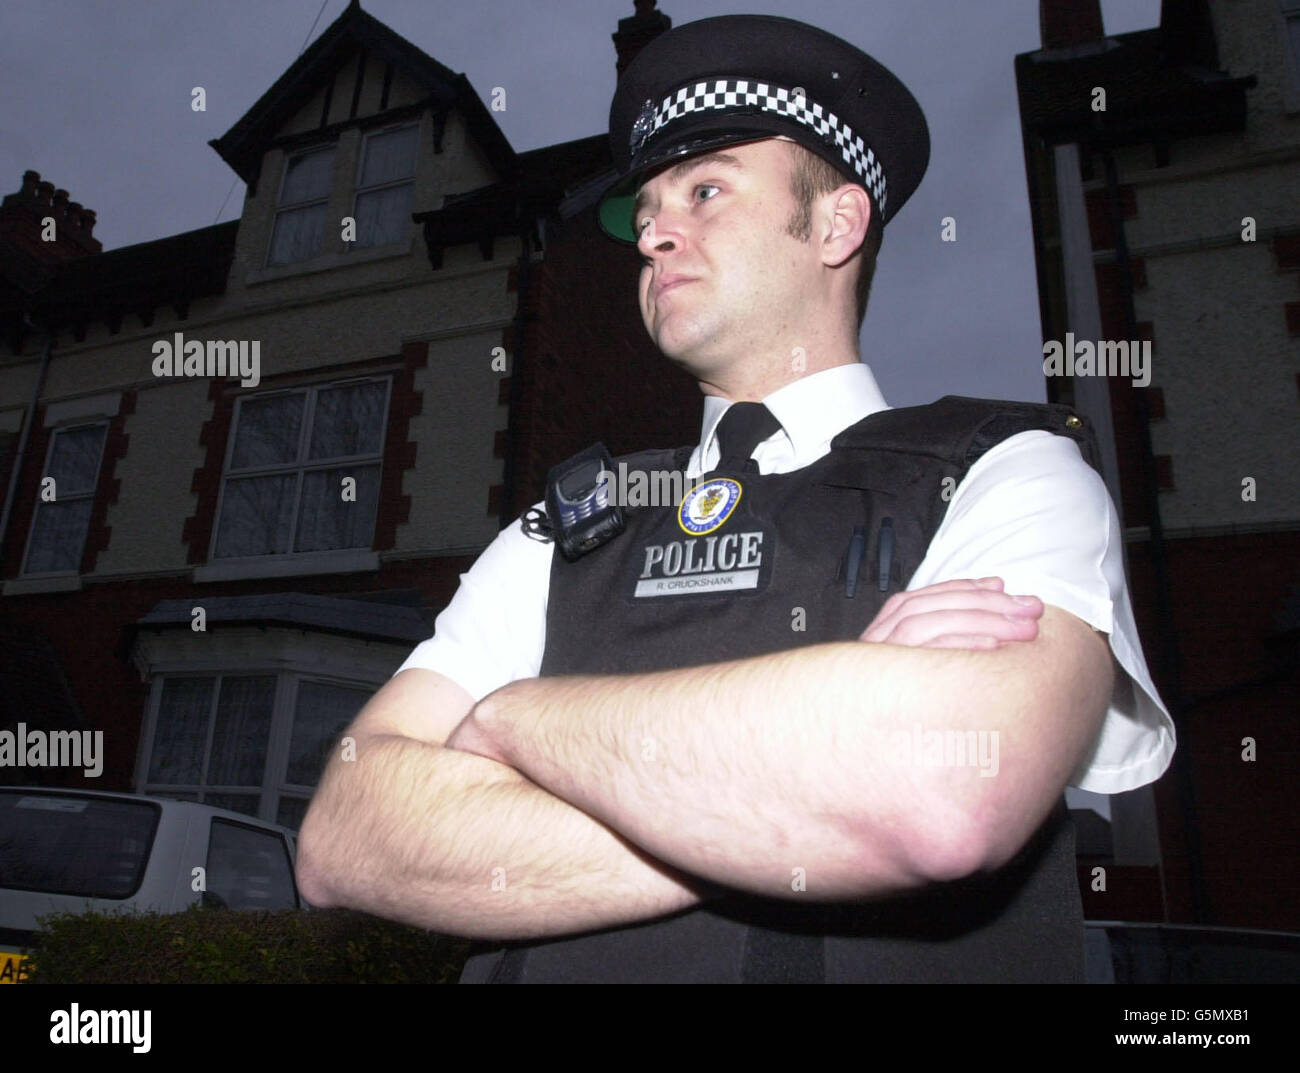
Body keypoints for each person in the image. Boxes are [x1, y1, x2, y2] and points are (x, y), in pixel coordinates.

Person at [296, 13, 1174, 983]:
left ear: (835, 223)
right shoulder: (565, 525)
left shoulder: (1008, 471)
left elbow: (943, 794)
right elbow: (342, 835)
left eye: (705, 190)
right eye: (648, 209)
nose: (655, 231)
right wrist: (823, 756)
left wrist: (512, 721)